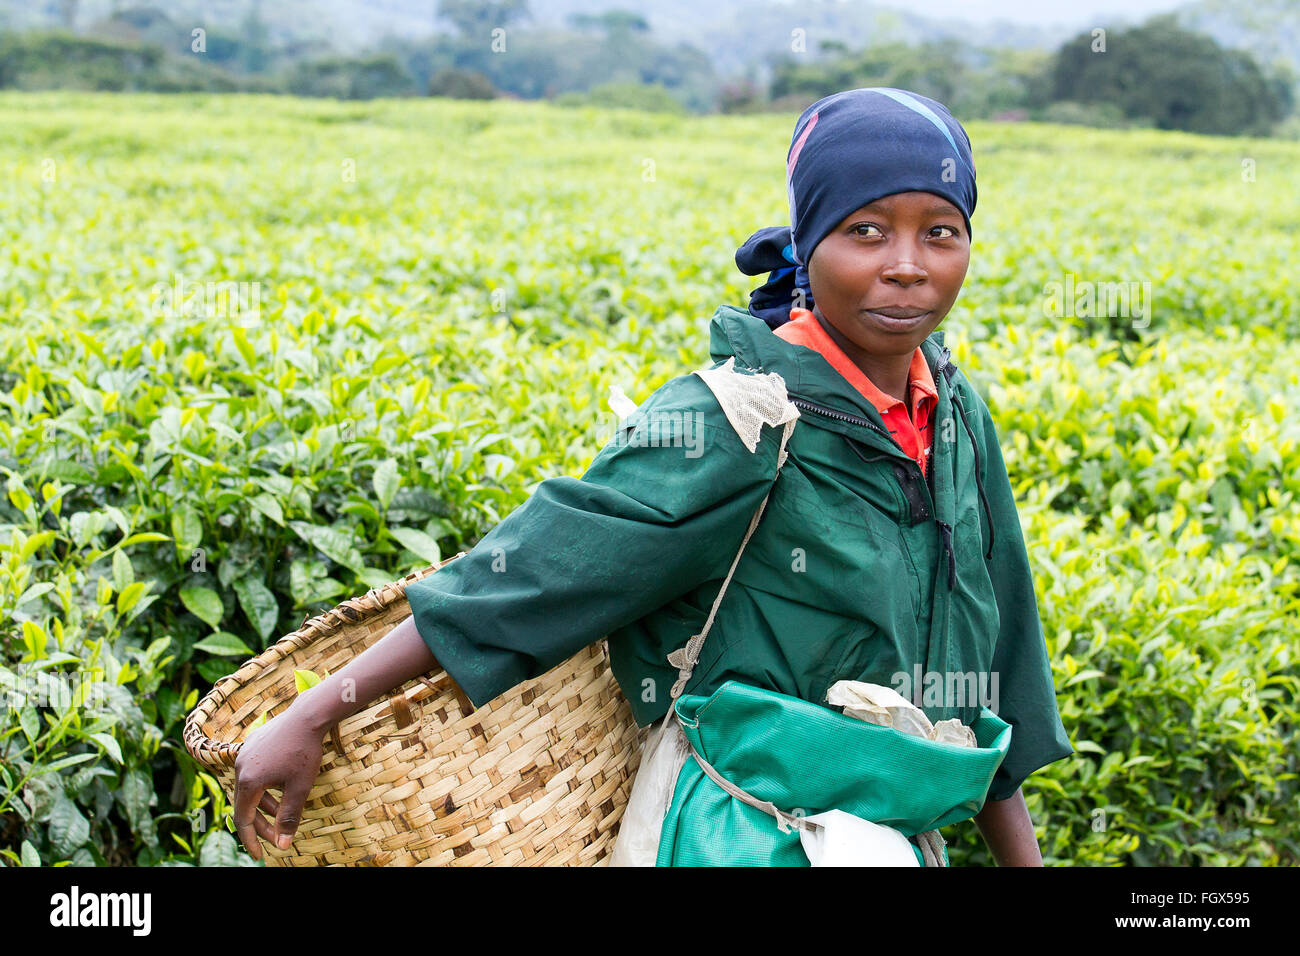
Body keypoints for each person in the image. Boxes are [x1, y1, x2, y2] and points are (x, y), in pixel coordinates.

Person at [231, 87, 1073, 866]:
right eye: (865, 231)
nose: (907, 264)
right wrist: (314, 710)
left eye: (941, 231)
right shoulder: (740, 418)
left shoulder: (954, 415)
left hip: (895, 831)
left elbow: (999, 646)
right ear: (811, 244)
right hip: (748, 831)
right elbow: (538, 569)